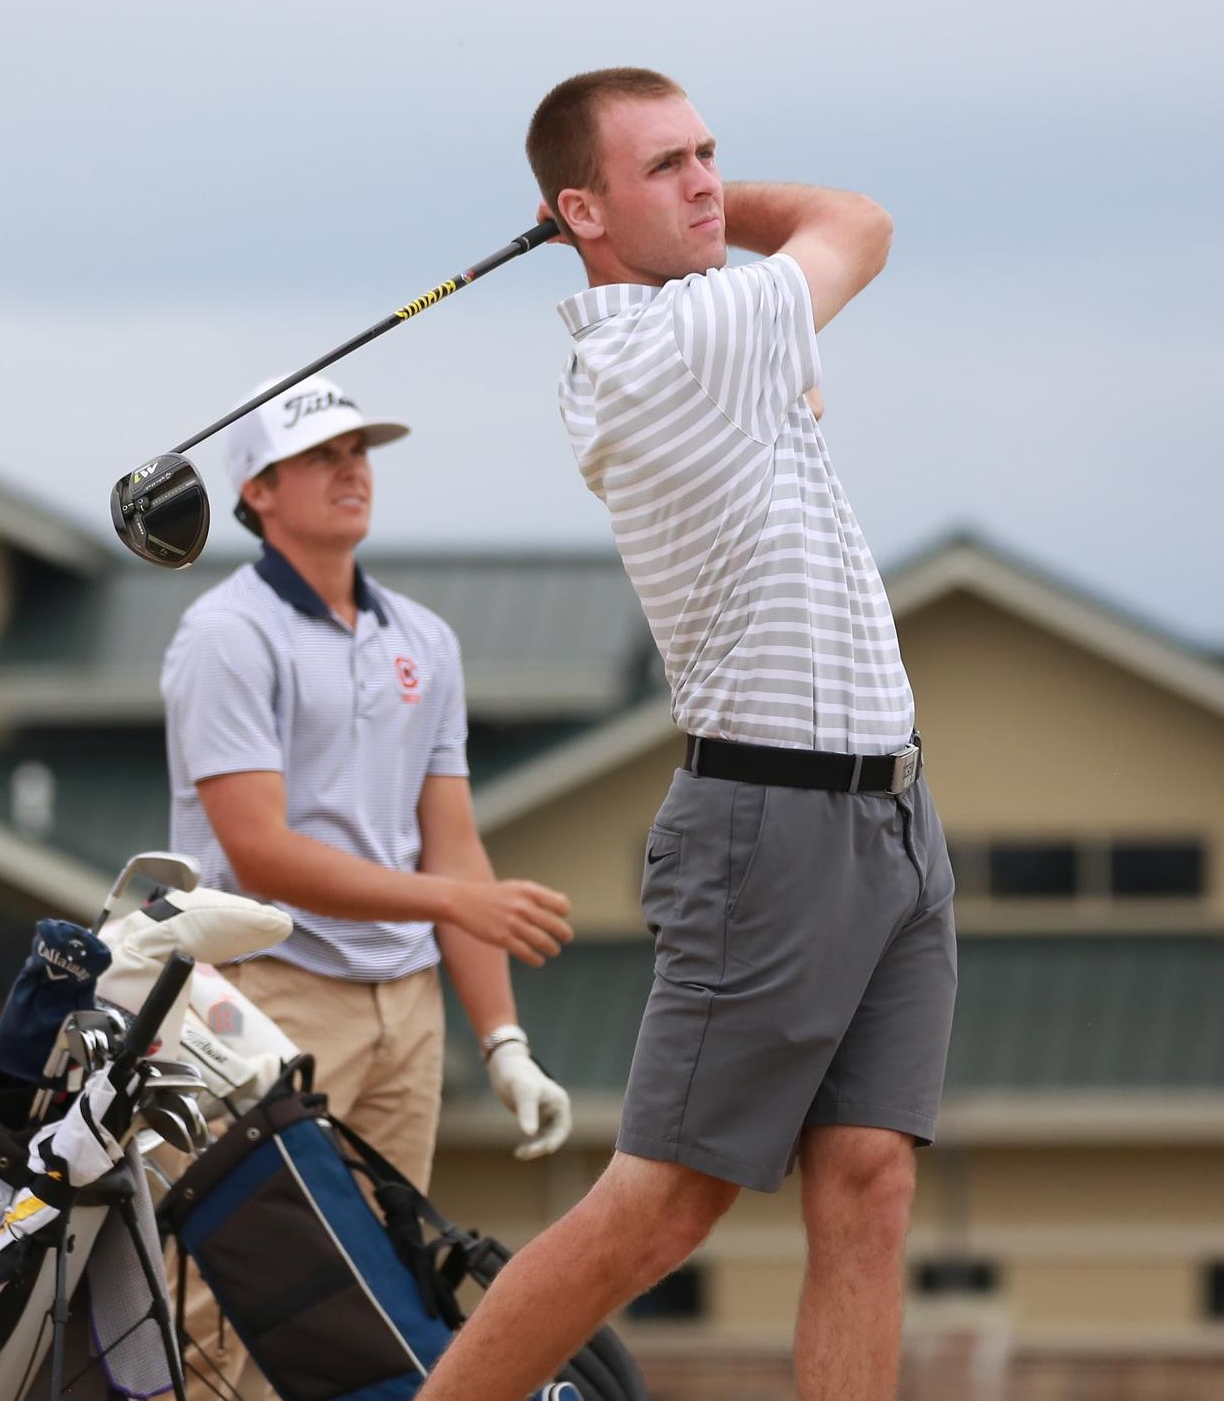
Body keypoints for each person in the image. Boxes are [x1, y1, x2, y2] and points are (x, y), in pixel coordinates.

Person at [417, 69, 958, 1401]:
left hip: (891, 811)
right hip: (767, 829)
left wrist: (670, 202)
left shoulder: (708, 312)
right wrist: (722, 208)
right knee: (662, 1205)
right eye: (667, 166)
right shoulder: (679, 342)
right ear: (577, 209)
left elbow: (780, 234)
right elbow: (858, 218)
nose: (710, 182)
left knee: (868, 1179)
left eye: (712, 154)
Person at [159, 375, 578, 1398]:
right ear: (256, 489)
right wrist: (446, 905)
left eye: (361, 452)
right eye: (321, 457)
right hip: (265, 996)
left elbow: (454, 849)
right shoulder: (227, 636)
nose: (352, 471)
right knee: (232, 1291)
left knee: (379, 1294)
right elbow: (260, 853)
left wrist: (504, 1040)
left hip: (406, 1011)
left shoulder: (423, 641)